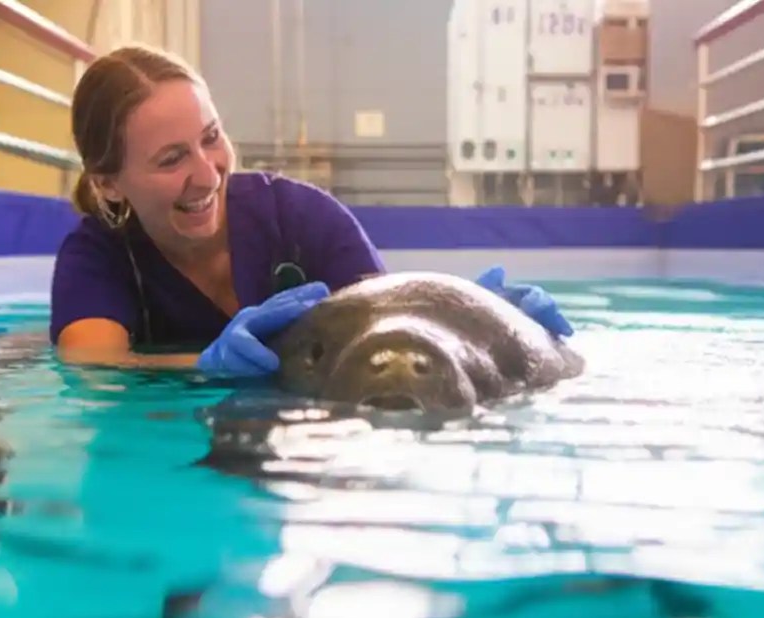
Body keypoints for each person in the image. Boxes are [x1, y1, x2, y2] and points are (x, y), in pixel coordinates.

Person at [50, 44, 572, 377]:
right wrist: (206, 366)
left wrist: (482, 327)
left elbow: (389, 332)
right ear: (108, 184)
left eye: (211, 138)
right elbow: (94, 368)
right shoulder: (101, 254)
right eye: (171, 159)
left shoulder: (299, 219)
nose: (207, 174)